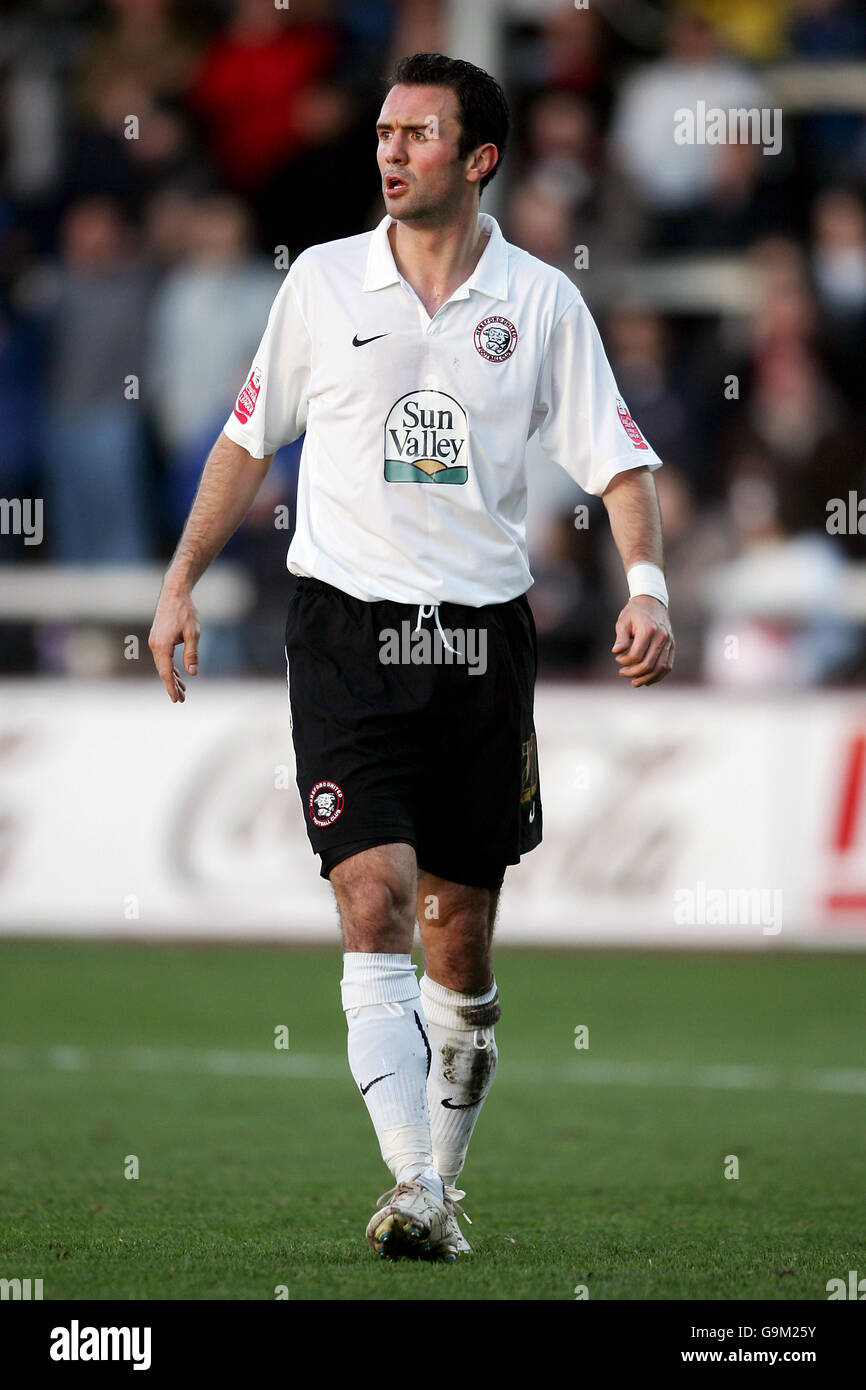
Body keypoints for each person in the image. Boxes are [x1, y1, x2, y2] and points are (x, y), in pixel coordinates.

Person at [149, 52, 674, 1263]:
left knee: (458, 935)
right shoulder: (322, 285)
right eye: (382, 132)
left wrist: (644, 583)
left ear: (478, 159)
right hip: (344, 630)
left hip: (481, 640)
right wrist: (177, 580)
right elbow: (246, 439)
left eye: (417, 135)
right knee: (370, 895)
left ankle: (439, 1180)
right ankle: (409, 1184)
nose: (388, 151)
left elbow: (617, 459)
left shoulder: (540, 301)